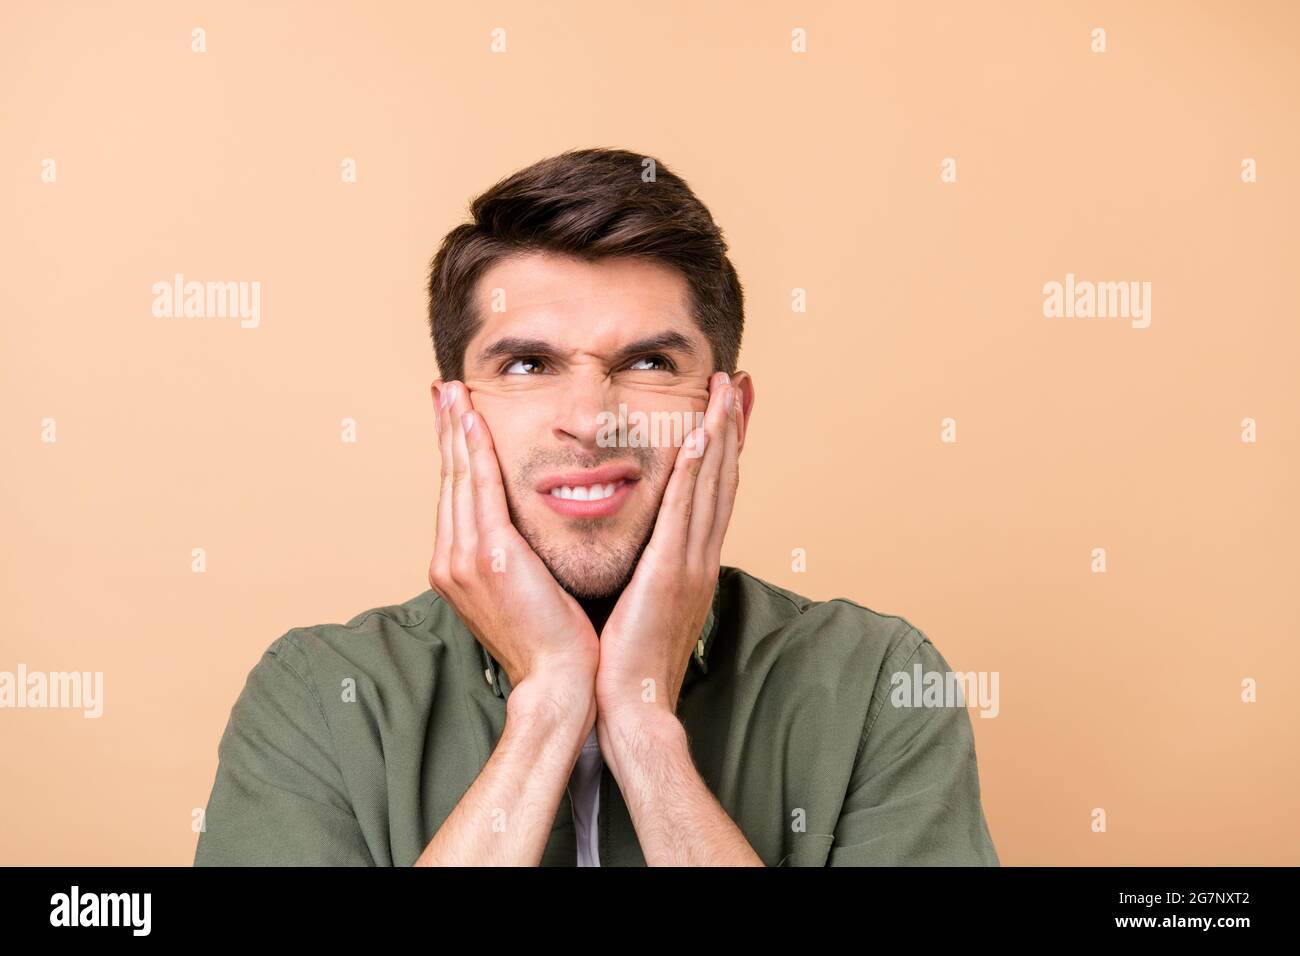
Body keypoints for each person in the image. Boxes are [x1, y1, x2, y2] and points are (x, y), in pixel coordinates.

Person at [194, 147, 999, 866]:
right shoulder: (320, 695)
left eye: (649, 361)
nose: (591, 417)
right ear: (453, 415)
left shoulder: (873, 681)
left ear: (731, 415)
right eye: (527, 365)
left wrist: (646, 732)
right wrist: (546, 703)